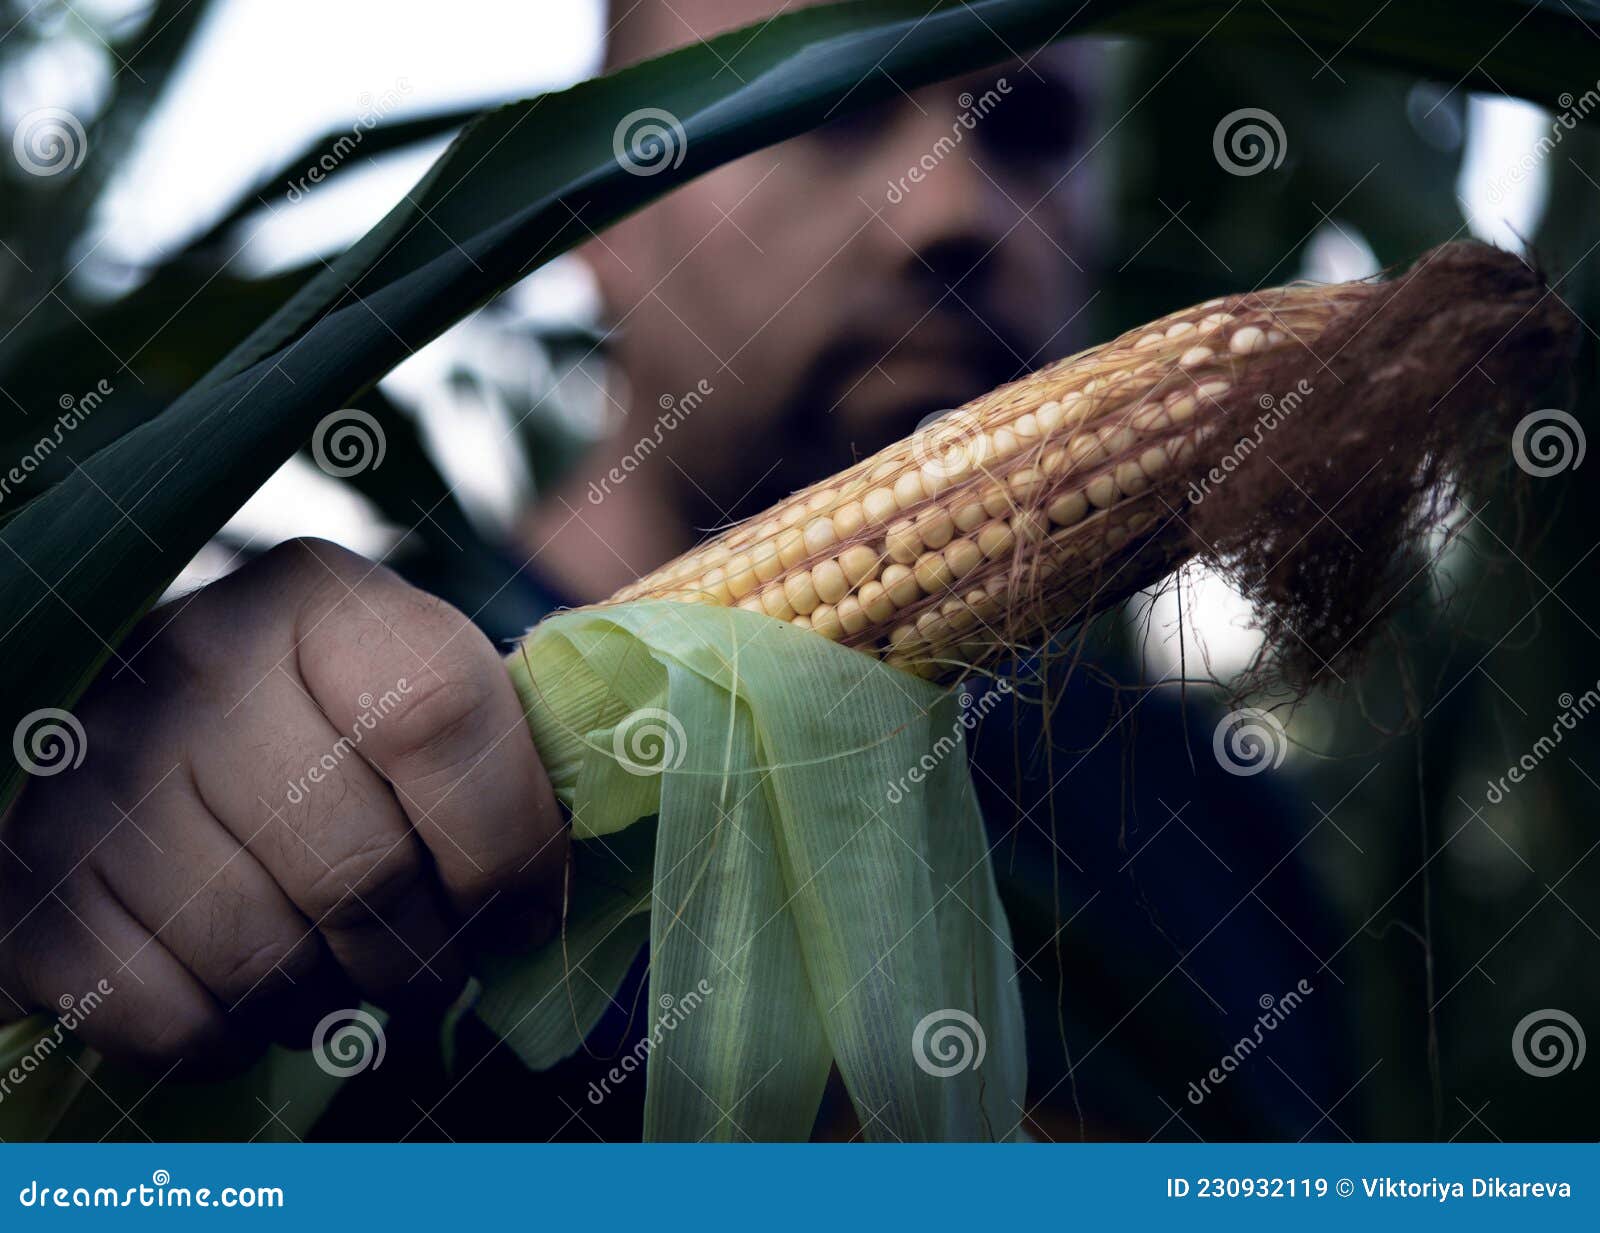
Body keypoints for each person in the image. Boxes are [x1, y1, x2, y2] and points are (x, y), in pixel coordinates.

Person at [0, 0, 1351, 1140]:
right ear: (601, 211)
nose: (951, 209)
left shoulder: (1219, 828)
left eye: (1033, 127)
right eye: (831, 109)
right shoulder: (269, 740)